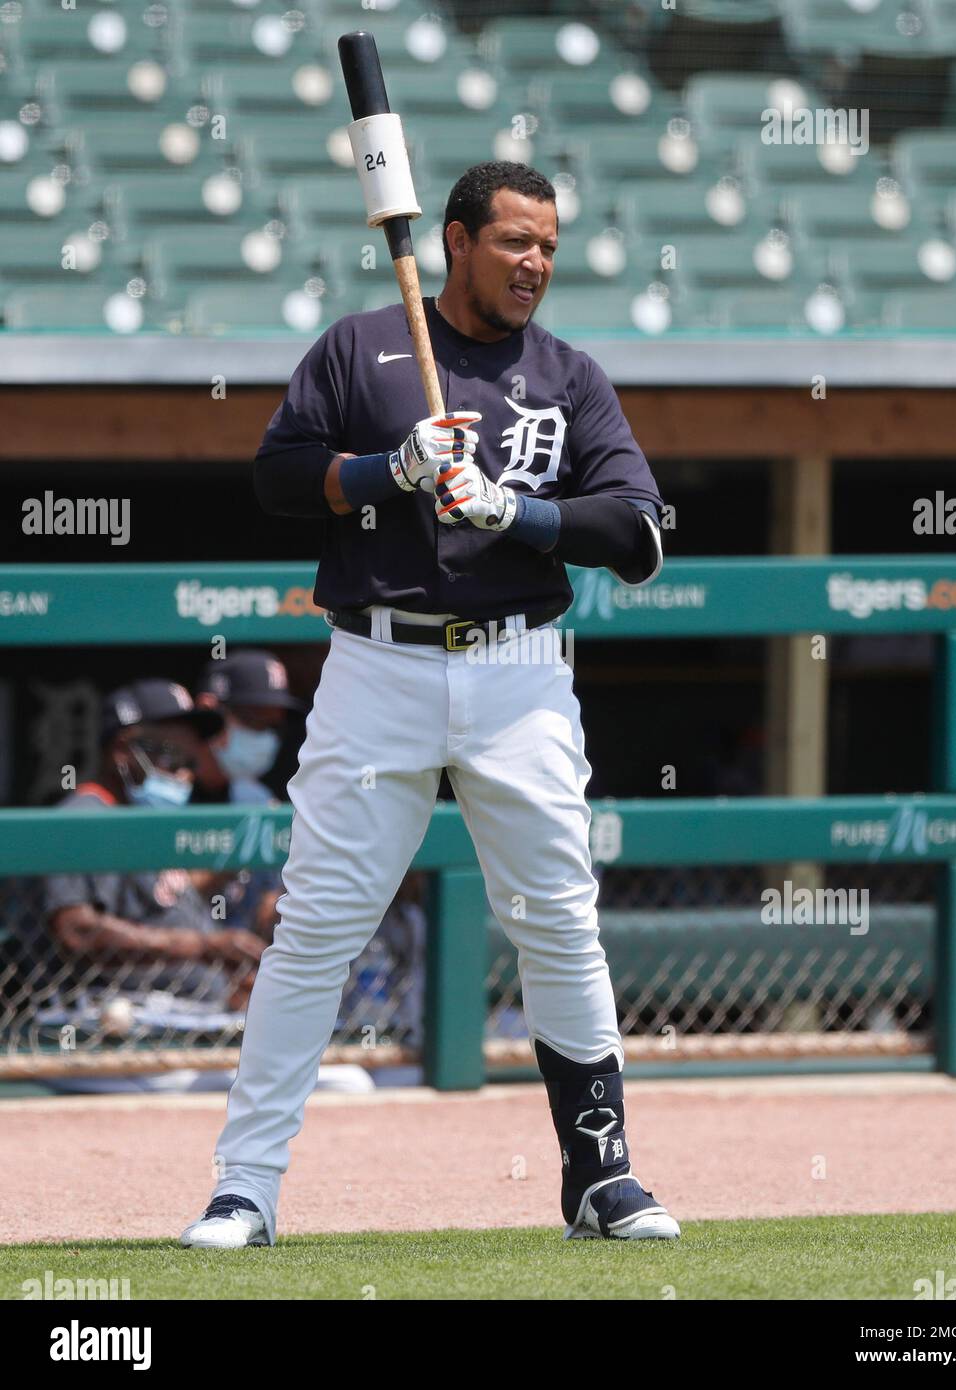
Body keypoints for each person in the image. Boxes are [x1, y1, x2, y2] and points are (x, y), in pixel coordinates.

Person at [181, 161, 678, 1248]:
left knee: (557, 919)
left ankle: (602, 1177)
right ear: (454, 241)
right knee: (313, 930)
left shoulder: (567, 375)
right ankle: (244, 1188)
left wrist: (520, 512)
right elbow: (275, 477)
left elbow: (638, 536)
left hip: (520, 671)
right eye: (512, 242)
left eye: (547, 244)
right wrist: (382, 471)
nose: (535, 263)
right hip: (376, 663)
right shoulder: (361, 349)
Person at [44, 678, 268, 1015]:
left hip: (184, 1021)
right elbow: (77, 930)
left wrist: (228, 979)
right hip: (105, 1025)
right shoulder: (82, 817)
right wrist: (202, 947)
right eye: (169, 756)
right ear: (122, 750)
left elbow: (161, 905)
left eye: (189, 763)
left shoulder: (146, 821)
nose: (182, 775)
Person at [193, 649, 303, 940]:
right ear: (209, 712)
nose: (264, 737)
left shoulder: (255, 797)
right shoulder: (160, 795)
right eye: (254, 721)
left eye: (271, 727)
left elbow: (265, 908)